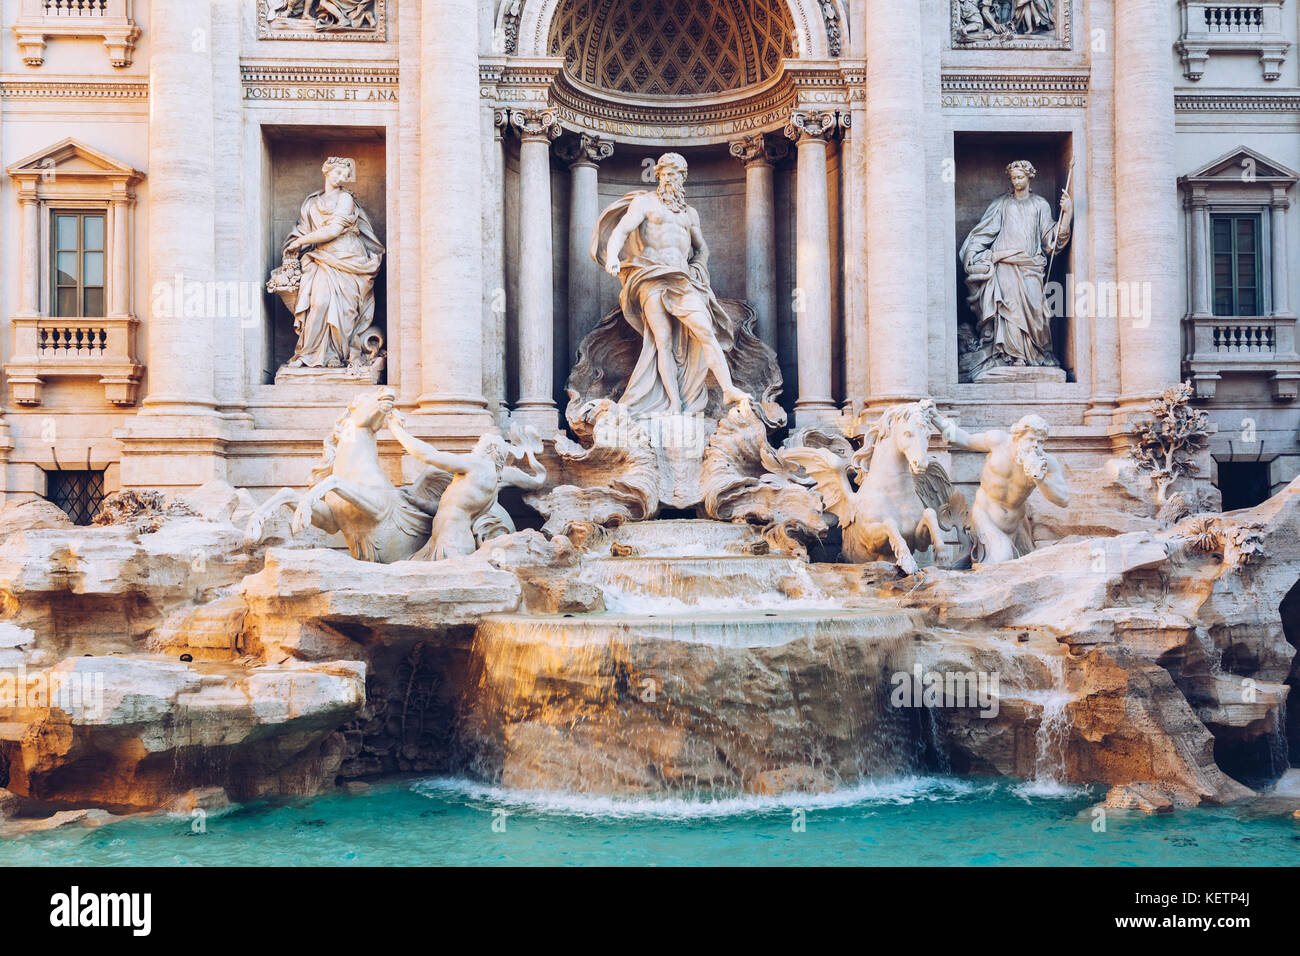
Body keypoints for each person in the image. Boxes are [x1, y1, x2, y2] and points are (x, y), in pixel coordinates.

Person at [593, 152, 748, 417]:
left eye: (674, 174)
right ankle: (674, 403)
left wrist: (698, 268)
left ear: (682, 178)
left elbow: (702, 249)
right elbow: (621, 230)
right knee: (661, 340)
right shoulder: (645, 203)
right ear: (658, 176)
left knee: (705, 330)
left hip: (681, 279)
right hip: (651, 277)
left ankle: (728, 389)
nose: (668, 178)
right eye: (664, 173)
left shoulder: (689, 214)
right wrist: (612, 258)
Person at [959, 159, 1071, 379]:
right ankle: (1010, 355)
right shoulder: (1002, 204)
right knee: (1008, 310)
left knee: (1036, 313)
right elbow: (985, 232)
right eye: (1013, 178)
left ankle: (1035, 354)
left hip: (1031, 266)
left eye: (1020, 177)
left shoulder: (1040, 205)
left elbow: (1051, 239)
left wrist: (1067, 215)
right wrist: (973, 251)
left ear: (1030, 177)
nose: (1017, 181)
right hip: (1005, 266)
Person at [282, 156, 384, 369]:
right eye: (337, 173)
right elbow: (304, 228)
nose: (341, 178)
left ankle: (335, 356)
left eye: (345, 175)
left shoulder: (345, 198)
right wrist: (296, 243)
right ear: (326, 170)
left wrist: (300, 242)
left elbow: (334, 229)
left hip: (347, 257)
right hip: (321, 258)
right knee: (318, 303)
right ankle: (308, 354)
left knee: (343, 310)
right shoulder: (311, 202)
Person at [929, 410, 1070, 563]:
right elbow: (964, 439)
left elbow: (1063, 499)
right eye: (1031, 440)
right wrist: (936, 419)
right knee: (1001, 559)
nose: (1036, 446)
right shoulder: (998, 442)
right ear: (1018, 437)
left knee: (1023, 568)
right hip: (985, 515)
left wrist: (1040, 480)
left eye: (1041, 442)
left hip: (1016, 525)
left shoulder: (1046, 463)